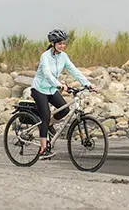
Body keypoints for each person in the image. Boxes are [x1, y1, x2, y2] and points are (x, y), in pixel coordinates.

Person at [31, 29, 93, 159]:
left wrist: (87, 84)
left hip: (51, 90)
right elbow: (47, 75)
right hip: (39, 89)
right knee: (46, 115)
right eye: (59, 44)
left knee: (64, 111)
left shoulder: (63, 56)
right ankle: (43, 150)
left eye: (64, 44)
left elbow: (74, 70)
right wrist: (59, 85)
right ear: (53, 44)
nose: (62, 46)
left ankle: (48, 125)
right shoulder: (45, 57)